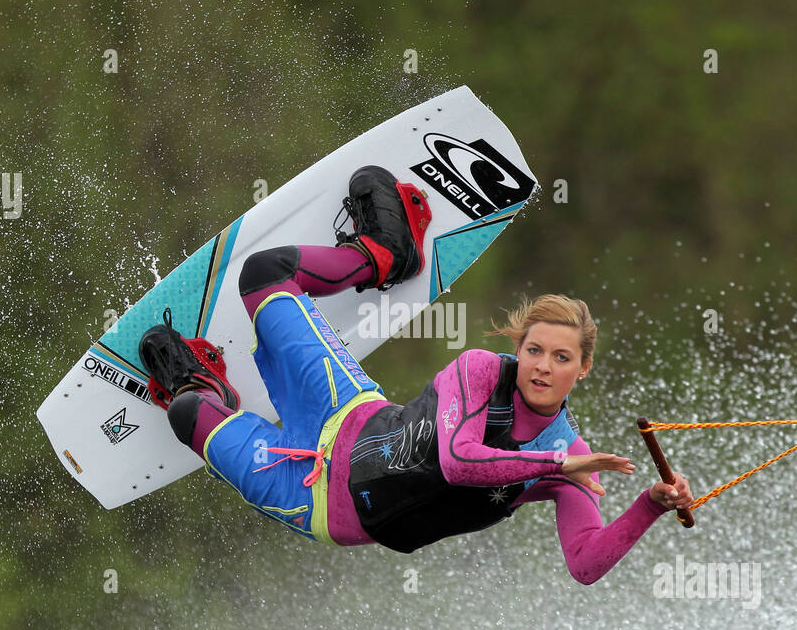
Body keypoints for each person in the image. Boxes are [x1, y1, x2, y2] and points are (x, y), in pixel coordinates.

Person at [138, 166, 693, 585]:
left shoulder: (571, 460)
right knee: (264, 274)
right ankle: (383, 253)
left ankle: (208, 387)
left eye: (562, 358)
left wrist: (649, 505)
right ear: (518, 350)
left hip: (318, 505)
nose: (543, 367)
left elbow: (586, 563)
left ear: (583, 368)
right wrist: (557, 462)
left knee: (185, 413)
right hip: (344, 410)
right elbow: (458, 458)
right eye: (534, 350)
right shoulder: (480, 374)